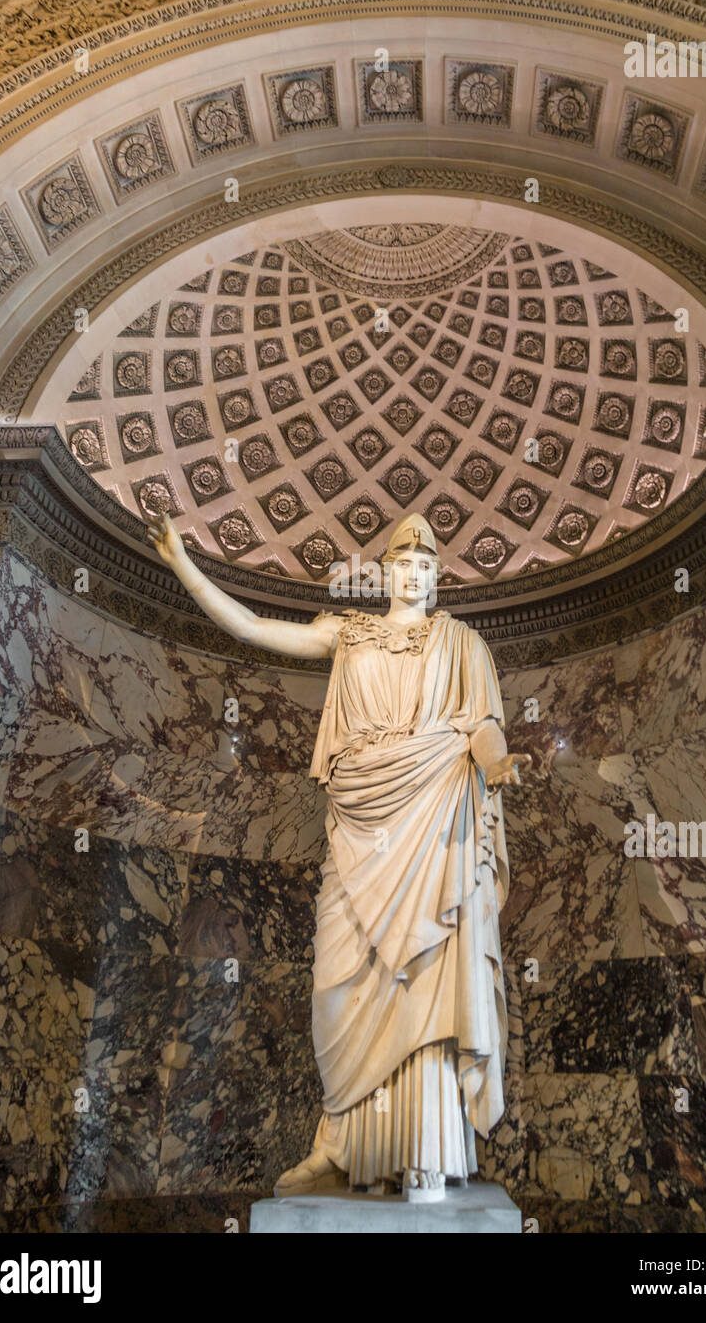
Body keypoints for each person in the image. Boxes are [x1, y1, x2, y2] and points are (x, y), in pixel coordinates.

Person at [147, 510, 534, 1198]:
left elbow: (484, 726)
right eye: (402, 564)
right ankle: (341, 1145)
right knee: (336, 985)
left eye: (425, 566)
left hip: (434, 823)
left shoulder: (462, 642)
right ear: (384, 571)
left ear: (437, 577)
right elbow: (253, 629)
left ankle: (423, 1149)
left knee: (425, 972)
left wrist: (498, 765)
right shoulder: (349, 633)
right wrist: (184, 565)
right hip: (359, 829)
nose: (413, 574)